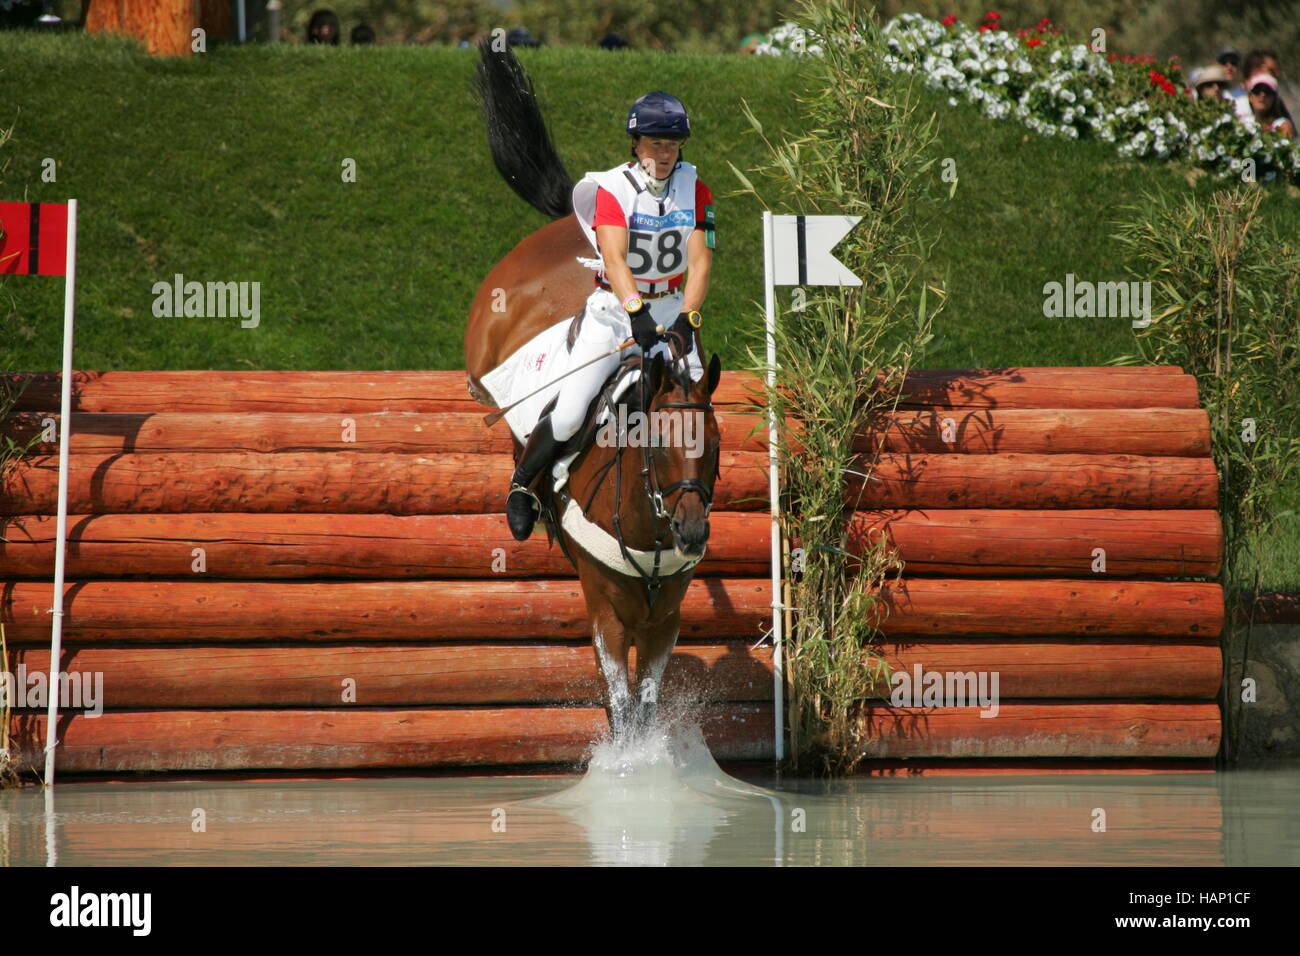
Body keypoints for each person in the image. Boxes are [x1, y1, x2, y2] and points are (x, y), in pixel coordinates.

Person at [504, 92, 715, 541]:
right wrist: (635, 310)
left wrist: (688, 319)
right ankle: (525, 484)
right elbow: (615, 258)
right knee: (570, 414)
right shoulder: (612, 188)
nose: (665, 154)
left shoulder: (695, 188)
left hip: (671, 309)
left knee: (693, 414)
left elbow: (699, 263)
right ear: (635, 143)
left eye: (673, 145)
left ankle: (691, 498)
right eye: (655, 144)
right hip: (616, 314)